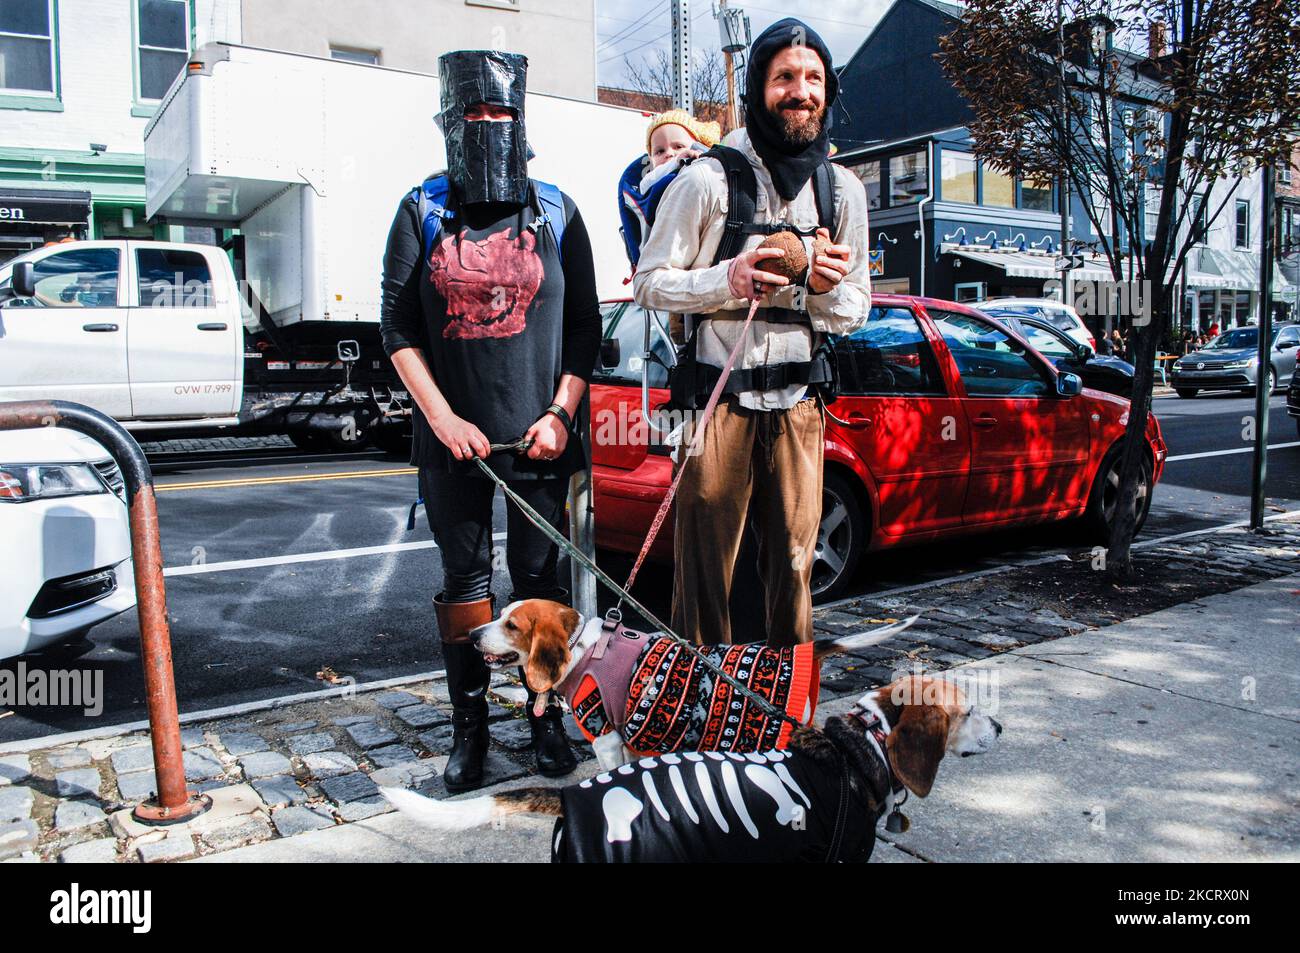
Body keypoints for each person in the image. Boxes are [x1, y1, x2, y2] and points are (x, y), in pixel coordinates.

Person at [379, 50, 601, 791]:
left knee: (544, 584)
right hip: (454, 444)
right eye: (474, 113)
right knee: (465, 585)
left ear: (523, 119)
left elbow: (585, 329)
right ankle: (468, 729)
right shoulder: (422, 209)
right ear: (449, 117)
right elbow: (398, 328)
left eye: (501, 113)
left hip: (541, 437)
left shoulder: (559, 211)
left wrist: (562, 413)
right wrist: (441, 418)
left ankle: (546, 723)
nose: (488, 125)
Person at [633, 18, 872, 648]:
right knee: (705, 578)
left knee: (794, 572)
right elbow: (649, 282)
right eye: (785, 77)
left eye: (814, 78)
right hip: (716, 407)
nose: (801, 91)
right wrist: (728, 279)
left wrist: (817, 291)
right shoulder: (707, 179)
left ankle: (786, 720)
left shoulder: (842, 190)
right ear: (760, 89)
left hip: (799, 409)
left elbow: (857, 308)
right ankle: (700, 716)